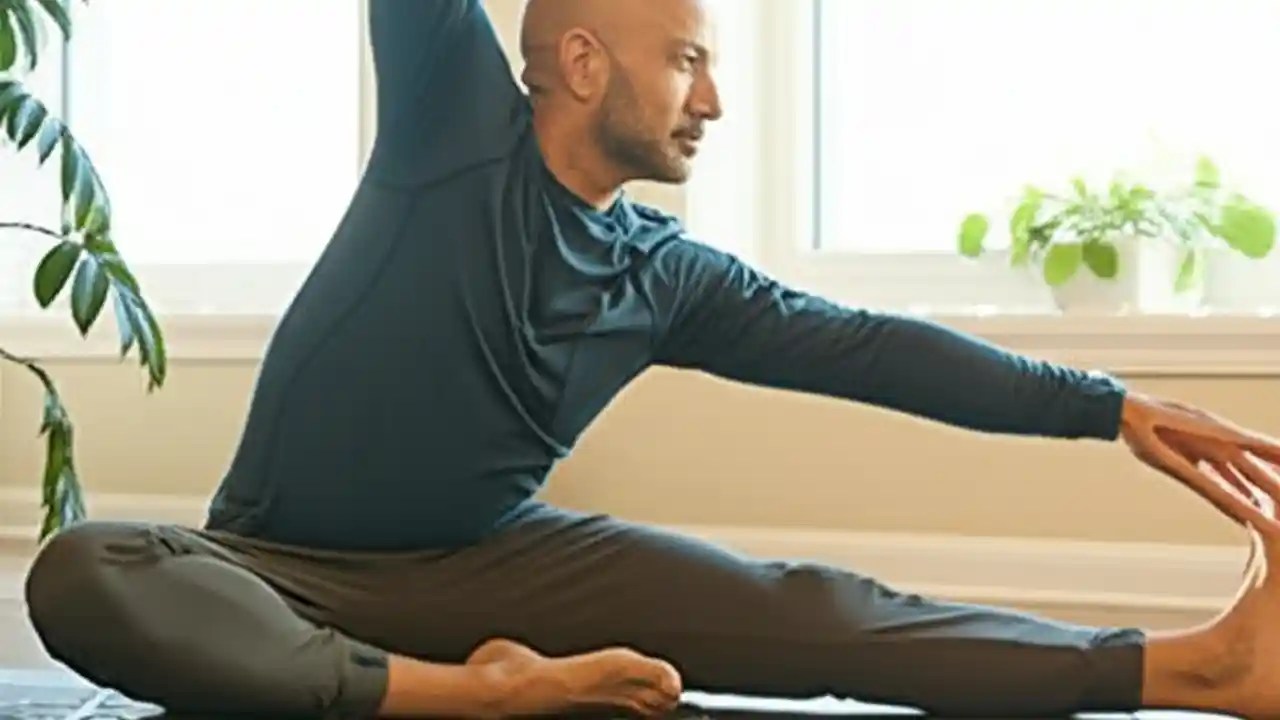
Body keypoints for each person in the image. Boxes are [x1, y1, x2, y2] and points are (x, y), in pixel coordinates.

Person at [21, 0, 1280, 717]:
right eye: (687, 60)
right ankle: (481, 697)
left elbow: (875, 353)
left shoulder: (668, 274)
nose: (712, 102)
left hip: (496, 562)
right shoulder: (447, 126)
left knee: (815, 611)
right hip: (279, 574)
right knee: (85, 569)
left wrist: (1106, 405)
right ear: (580, 62)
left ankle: (1197, 668)